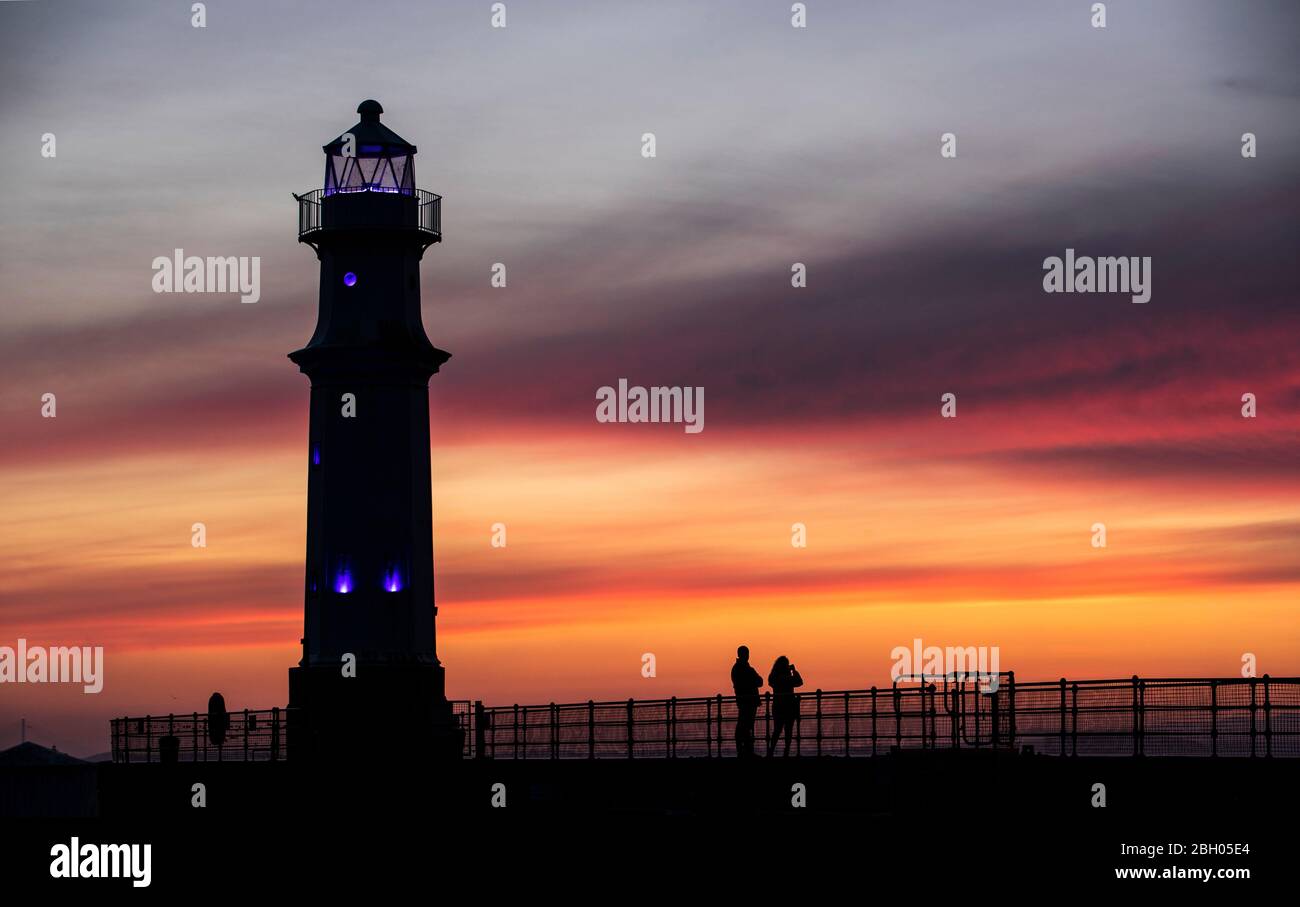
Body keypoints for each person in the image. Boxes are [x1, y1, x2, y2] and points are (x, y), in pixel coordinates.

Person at [767, 656, 804, 757]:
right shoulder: (788, 678)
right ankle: (786, 751)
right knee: (788, 730)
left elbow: (770, 681)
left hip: (778, 706)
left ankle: (771, 751)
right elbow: (799, 682)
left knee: (777, 730)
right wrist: (794, 671)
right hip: (789, 706)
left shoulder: (773, 676)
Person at [730, 645, 764, 758]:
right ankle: (746, 752)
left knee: (744, 726)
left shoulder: (737, 668)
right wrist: (752, 681)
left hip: (744, 701)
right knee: (746, 726)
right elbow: (759, 681)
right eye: (746, 654)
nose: (748, 656)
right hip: (748, 701)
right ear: (743, 655)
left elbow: (759, 681)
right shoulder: (746, 669)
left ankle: (744, 751)